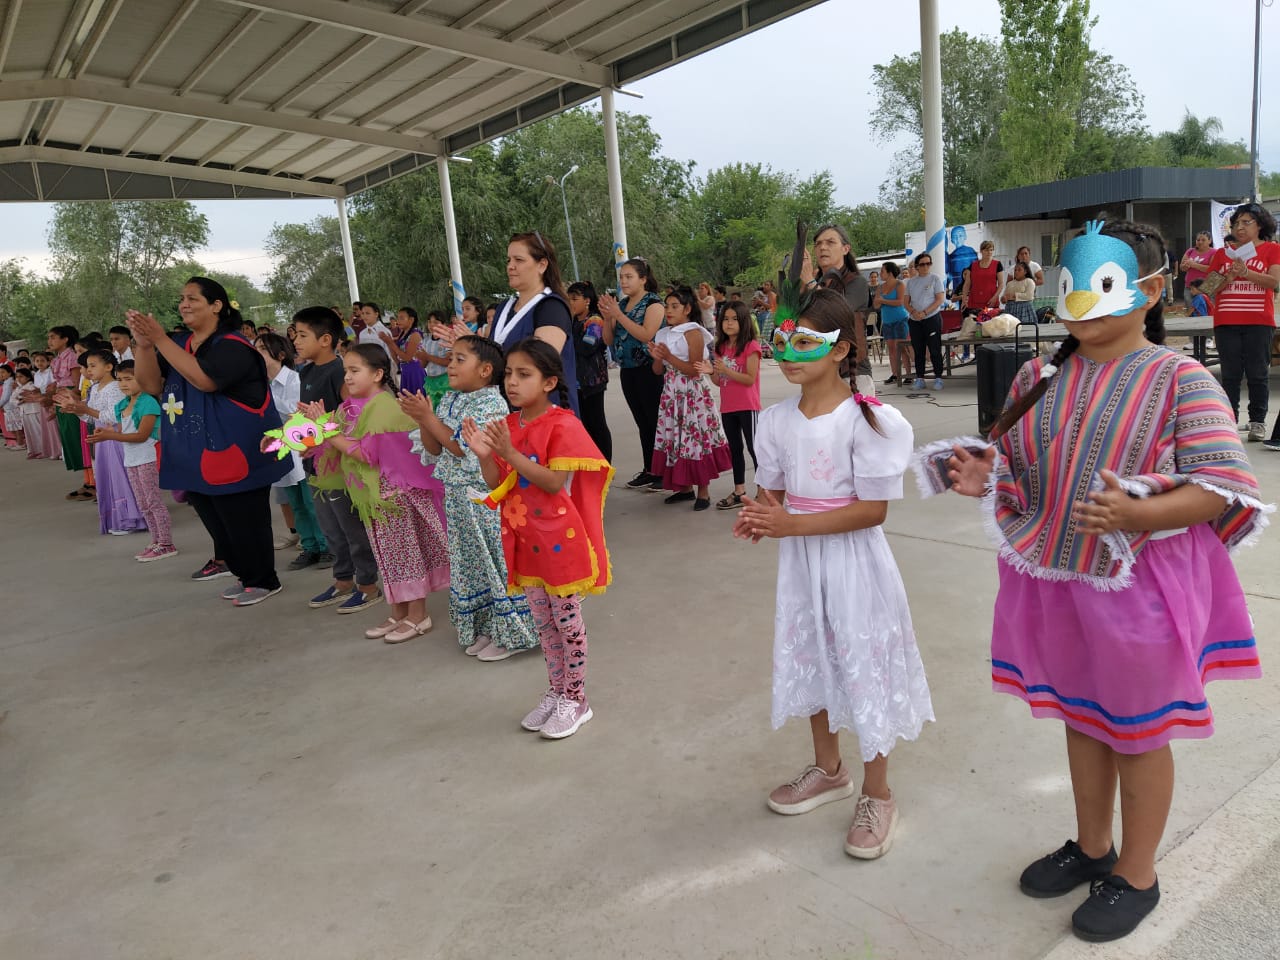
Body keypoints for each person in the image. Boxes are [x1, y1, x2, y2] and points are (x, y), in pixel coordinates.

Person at [937, 220, 1267, 942]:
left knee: (1139, 733)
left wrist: (1136, 508)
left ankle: (1138, 873)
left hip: (1140, 590)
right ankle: (1092, 847)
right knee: (1082, 718)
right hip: (1061, 580)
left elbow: (1224, 489)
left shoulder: (1183, 378)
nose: (1081, 302)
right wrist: (984, 476)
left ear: (1149, 291)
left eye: (1104, 285)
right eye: (1071, 286)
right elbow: (1022, 468)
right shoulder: (1039, 377)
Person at [733, 286, 932, 861]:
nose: (789, 354)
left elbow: (874, 510)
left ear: (841, 348)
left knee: (861, 663)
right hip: (802, 565)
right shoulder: (773, 421)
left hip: (853, 562)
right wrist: (759, 516)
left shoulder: (868, 420)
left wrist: (790, 526)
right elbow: (774, 491)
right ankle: (828, 769)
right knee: (813, 655)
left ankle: (878, 793)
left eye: (804, 342)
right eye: (782, 341)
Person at [462, 338, 612, 740]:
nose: (511, 382)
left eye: (523, 374)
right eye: (508, 373)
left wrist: (509, 454)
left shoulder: (562, 423)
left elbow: (552, 482)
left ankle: (577, 699)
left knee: (567, 623)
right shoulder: (509, 426)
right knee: (544, 624)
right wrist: (482, 454)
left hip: (558, 540)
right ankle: (555, 690)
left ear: (548, 382)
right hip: (523, 537)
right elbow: (497, 483)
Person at [126, 277, 289, 606]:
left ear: (217, 305)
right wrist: (145, 345)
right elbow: (150, 385)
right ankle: (245, 576)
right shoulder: (181, 343)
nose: (183, 304)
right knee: (218, 523)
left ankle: (263, 580)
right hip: (193, 453)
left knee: (244, 519)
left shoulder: (232, 346)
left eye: (192, 298)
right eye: (181, 298)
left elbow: (205, 380)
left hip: (237, 450)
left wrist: (160, 338)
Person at [401, 335, 540, 661]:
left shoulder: (491, 404)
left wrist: (430, 418)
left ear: (485, 370)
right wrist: (424, 418)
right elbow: (435, 447)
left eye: (460, 359)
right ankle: (489, 627)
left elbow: (461, 446)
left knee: (495, 561)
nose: (450, 364)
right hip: (457, 497)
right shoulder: (449, 399)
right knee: (472, 565)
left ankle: (515, 633)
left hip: (483, 497)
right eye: (450, 358)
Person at [310, 344, 449, 644]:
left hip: (395, 494)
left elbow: (363, 454)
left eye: (354, 370)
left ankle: (417, 614)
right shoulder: (350, 407)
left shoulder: (383, 406)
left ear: (377, 374)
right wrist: (314, 427)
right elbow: (332, 441)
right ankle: (398, 612)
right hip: (374, 497)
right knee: (387, 555)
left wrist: (329, 432)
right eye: (346, 370)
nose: (347, 377)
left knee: (405, 554)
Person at [290, 306, 383, 616]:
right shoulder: (306, 371)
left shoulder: (339, 372)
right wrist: (302, 437)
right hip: (316, 464)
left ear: (326, 339)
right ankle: (342, 580)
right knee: (330, 527)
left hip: (341, 465)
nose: (296, 341)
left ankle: (368, 585)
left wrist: (321, 434)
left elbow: (353, 416)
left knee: (351, 528)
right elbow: (310, 416)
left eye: (303, 335)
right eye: (295, 334)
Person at [440, 232, 580, 416]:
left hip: (544, 414)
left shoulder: (551, 307)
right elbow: (494, 356)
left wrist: (476, 345)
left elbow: (539, 361)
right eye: (508, 260)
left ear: (542, 264)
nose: (510, 266)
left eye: (519, 260)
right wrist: (471, 347)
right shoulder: (504, 307)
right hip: (506, 410)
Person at [649, 285, 732, 511]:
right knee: (676, 438)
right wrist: (658, 358)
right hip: (671, 394)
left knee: (695, 439)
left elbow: (694, 370)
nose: (669, 310)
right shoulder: (663, 333)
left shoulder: (693, 332)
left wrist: (668, 357)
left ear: (687, 309)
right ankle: (684, 488)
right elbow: (658, 370)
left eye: (675, 306)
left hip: (691, 394)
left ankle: (703, 492)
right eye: (667, 306)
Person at [1203, 203, 1280, 442]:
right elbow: (1209, 289)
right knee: (1230, 375)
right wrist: (1230, 276)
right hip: (1227, 321)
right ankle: (1228, 421)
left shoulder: (1271, 249)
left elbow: (1274, 282)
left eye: (1246, 222)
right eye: (1236, 223)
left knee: (1258, 374)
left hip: (1258, 321)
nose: (1240, 227)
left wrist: (1247, 273)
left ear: (1260, 225)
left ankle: (1257, 422)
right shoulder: (1222, 254)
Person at [255, 332, 330, 571]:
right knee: (294, 502)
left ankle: (326, 545)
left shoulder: (294, 381)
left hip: (299, 446)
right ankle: (309, 547)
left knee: (310, 500)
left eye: (262, 349)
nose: (256, 353)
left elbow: (296, 414)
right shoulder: (261, 384)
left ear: (280, 355)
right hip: (278, 447)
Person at [87, 360, 176, 561]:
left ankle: (166, 543)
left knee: (154, 502)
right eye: (120, 380)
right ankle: (156, 541)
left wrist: (109, 436)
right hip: (131, 460)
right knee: (143, 503)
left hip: (147, 458)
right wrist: (107, 430)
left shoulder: (148, 402)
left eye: (129, 379)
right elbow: (121, 426)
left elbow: (141, 436)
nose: (123, 384)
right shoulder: (124, 403)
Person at [56, 349, 147, 537]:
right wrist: (76, 410)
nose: (88, 370)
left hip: (114, 438)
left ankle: (131, 519)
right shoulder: (94, 389)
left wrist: (85, 409)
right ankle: (117, 518)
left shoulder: (114, 388)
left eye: (92, 365)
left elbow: (114, 416)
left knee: (119, 477)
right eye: (86, 366)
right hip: (102, 438)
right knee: (107, 477)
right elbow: (91, 418)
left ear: (108, 367)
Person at [598, 257, 665, 489]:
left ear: (643, 279)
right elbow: (608, 339)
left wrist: (618, 315)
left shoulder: (653, 303)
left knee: (655, 420)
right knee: (642, 422)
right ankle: (650, 468)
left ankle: (663, 471)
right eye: (622, 277)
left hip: (649, 369)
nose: (624, 282)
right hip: (628, 369)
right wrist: (608, 319)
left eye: (629, 277)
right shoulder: (622, 305)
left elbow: (646, 334)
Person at [804, 224, 873, 396]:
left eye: (830, 242)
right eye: (818, 244)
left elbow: (838, 312)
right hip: (817, 369)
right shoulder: (815, 283)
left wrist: (810, 282)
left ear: (845, 248)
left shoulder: (856, 282)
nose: (823, 247)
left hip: (852, 372)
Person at [709, 299, 762, 510]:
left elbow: (750, 379)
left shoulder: (751, 346)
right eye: (725, 319)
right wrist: (711, 371)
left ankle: (763, 491)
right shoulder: (720, 348)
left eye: (734, 319)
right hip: (728, 407)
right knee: (735, 449)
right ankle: (739, 490)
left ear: (744, 322)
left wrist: (725, 370)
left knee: (755, 448)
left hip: (748, 406)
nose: (729, 323)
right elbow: (718, 381)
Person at [567, 280, 612, 462]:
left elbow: (588, 346)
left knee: (597, 423)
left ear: (587, 300)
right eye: (568, 298)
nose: (571, 303)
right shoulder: (571, 322)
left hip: (592, 381)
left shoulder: (594, 320)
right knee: (583, 424)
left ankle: (605, 463)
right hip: (575, 381)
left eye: (574, 298)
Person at [48, 325, 92, 501]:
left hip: (72, 398)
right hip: (62, 398)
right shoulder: (57, 358)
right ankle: (87, 480)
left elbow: (77, 386)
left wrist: (66, 396)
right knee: (72, 440)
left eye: (53, 337)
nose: (49, 341)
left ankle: (93, 482)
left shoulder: (72, 357)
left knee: (80, 439)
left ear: (65, 339)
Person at [905, 253, 946, 390]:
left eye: (928, 263)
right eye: (922, 264)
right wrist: (913, 312)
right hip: (915, 320)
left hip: (931, 318)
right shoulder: (911, 282)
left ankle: (938, 377)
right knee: (918, 350)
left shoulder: (935, 279)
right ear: (917, 266)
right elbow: (906, 302)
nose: (926, 266)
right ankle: (920, 378)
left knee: (934, 349)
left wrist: (925, 312)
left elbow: (939, 299)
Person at [874, 262, 910, 385]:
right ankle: (895, 373)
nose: (880, 273)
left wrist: (883, 300)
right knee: (891, 348)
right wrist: (881, 301)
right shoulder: (880, 287)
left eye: (882, 271)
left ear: (890, 273)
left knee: (901, 347)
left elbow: (900, 302)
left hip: (900, 319)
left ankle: (909, 374)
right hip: (887, 321)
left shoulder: (899, 284)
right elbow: (876, 304)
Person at [379, 306, 425, 397]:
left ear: (411, 320)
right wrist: (388, 343)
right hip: (405, 371)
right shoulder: (403, 334)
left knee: (416, 398)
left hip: (415, 371)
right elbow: (397, 356)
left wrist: (391, 343)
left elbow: (407, 357)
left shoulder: (415, 334)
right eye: (398, 318)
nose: (398, 321)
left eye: (402, 318)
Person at [16, 367, 47, 459]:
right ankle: (32, 450)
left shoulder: (32, 387)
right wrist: (20, 401)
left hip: (34, 411)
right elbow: (12, 399)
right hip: (24, 412)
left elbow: (36, 397)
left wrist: (25, 399)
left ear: (28, 377)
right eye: (17, 377)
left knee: (38, 431)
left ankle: (42, 450)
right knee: (28, 433)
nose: (18, 379)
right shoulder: (19, 388)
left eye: (21, 376)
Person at [1179, 231, 1215, 311]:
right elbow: (1182, 267)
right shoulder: (1190, 251)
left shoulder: (1214, 252)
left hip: (1206, 287)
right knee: (1191, 310)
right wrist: (1185, 266)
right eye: (1198, 240)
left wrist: (1194, 265)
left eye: (1203, 240)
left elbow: (1212, 269)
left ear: (1209, 241)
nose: (1200, 242)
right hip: (1190, 286)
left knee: (1206, 310)